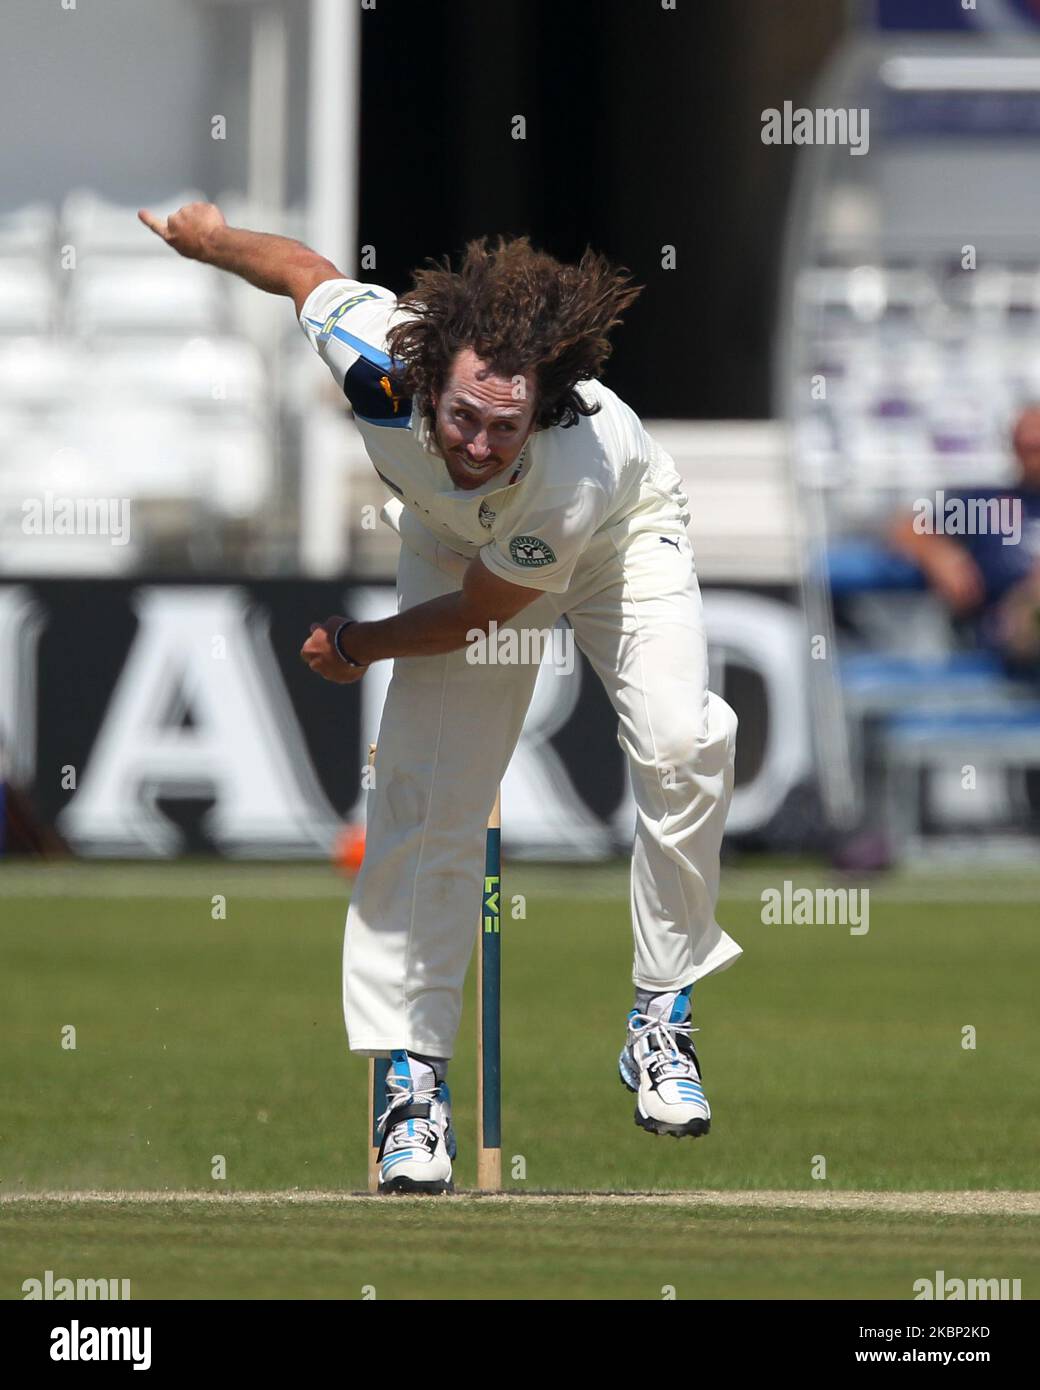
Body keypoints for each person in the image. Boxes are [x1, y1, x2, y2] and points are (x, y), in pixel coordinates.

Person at [140, 201, 742, 1194]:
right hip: (450, 541)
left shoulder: (566, 468)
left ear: (540, 410)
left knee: (680, 741)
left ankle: (660, 1019)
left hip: (616, 539)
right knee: (425, 799)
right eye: (462, 416)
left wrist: (354, 644)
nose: (476, 441)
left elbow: (476, 616)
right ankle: (411, 1088)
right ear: (429, 380)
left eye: (504, 426)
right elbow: (300, 268)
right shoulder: (372, 356)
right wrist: (212, 242)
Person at [889, 406, 1040, 672]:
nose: (1033, 454)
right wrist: (938, 553)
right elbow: (907, 526)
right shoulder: (988, 502)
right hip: (1009, 631)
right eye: (1025, 446)